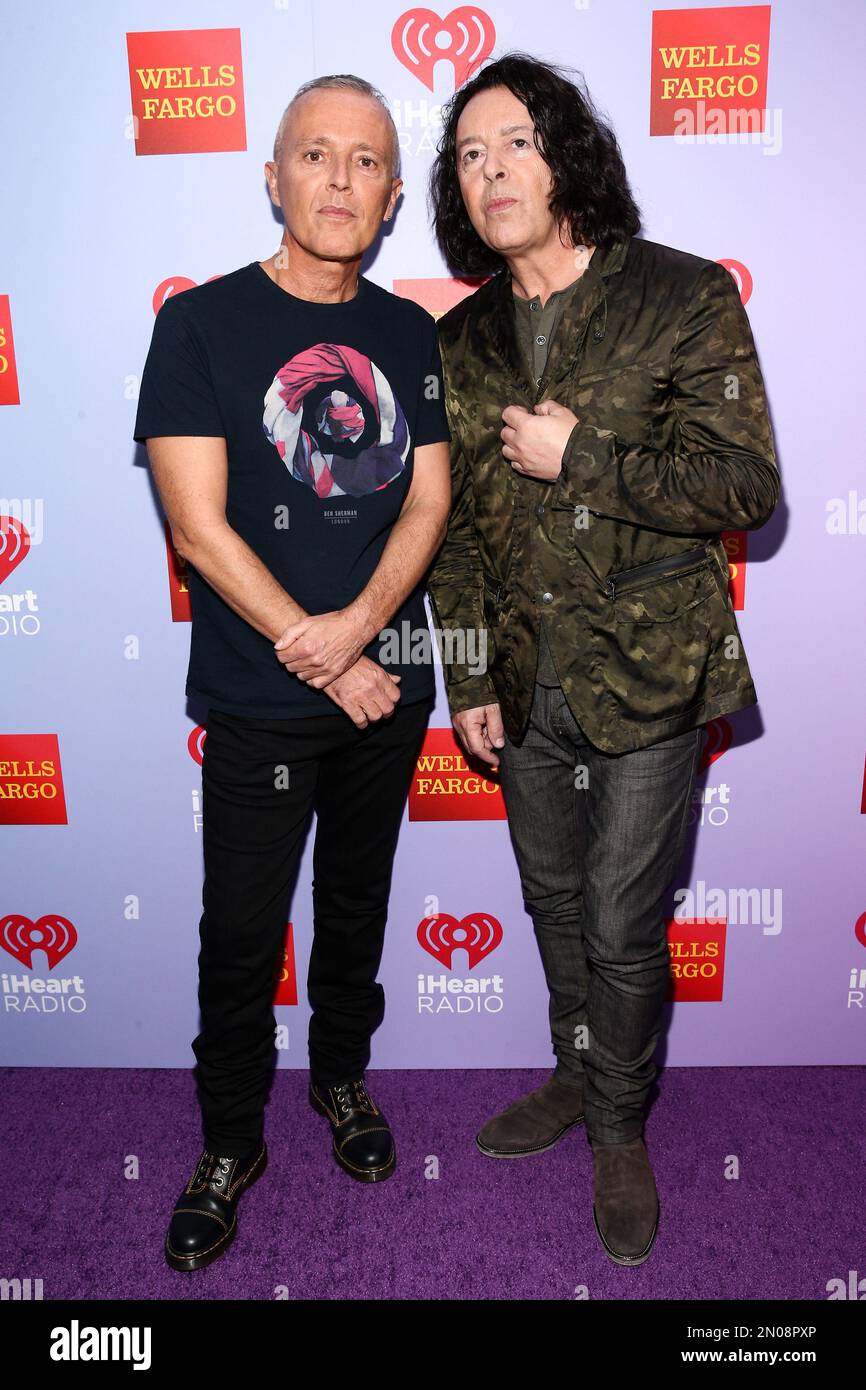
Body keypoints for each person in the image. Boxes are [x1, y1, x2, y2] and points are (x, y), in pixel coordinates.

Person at [426, 52, 779, 1266]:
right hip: (521, 684)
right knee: (552, 902)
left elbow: (747, 484)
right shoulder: (461, 338)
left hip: (649, 677)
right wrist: (466, 676)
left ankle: (619, 1129)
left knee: (627, 922)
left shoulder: (679, 296)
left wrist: (583, 459)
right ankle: (579, 1073)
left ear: (564, 151)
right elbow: (455, 532)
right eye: (469, 155)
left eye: (513, 141)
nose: (490, 170)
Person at [133, 74, 451, 1272]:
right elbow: (198, 527)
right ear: (271, 178)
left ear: (388, 197)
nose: (337, 179)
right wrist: (319, 655)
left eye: (365, 162)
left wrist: (361, 634)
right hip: (268, 698)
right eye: (313, 155)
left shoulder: (407, 334)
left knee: (357, 908)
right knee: (241, 931)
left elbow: (428, 494)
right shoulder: (200, 325)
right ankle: (228, 1142)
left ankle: (342, 1083)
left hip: (384, 689)